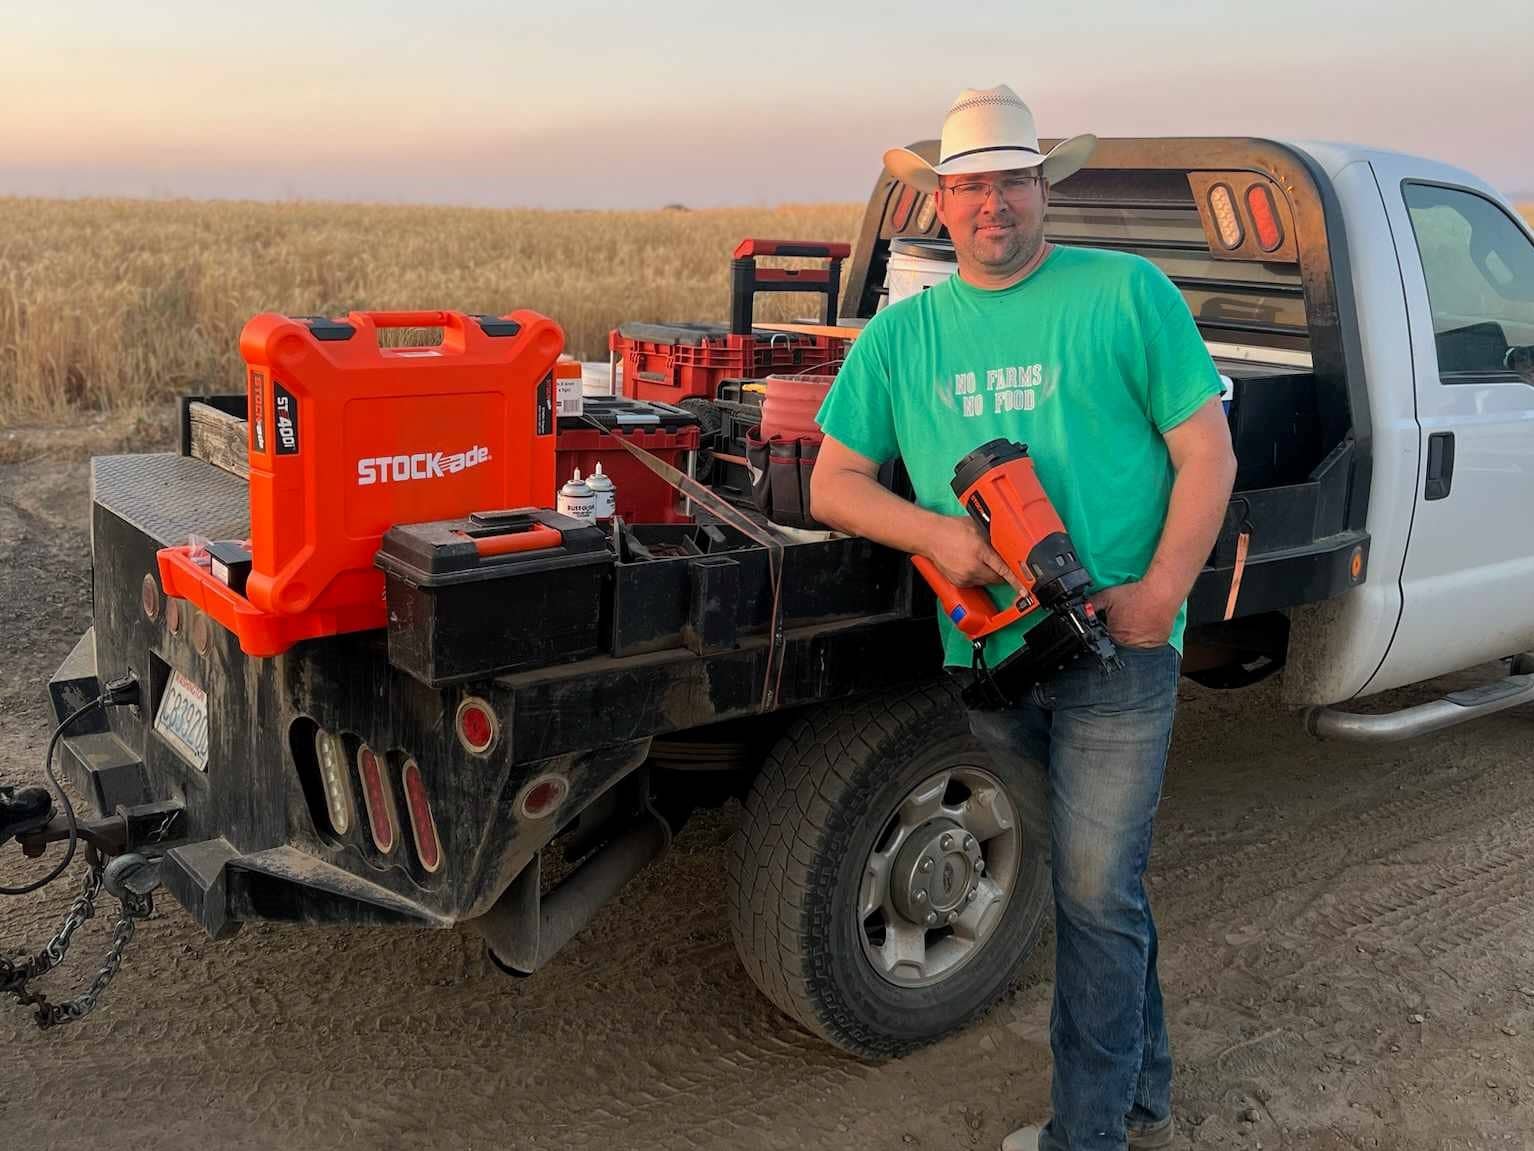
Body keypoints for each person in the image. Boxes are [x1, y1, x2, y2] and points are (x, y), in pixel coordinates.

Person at [810, 85, 1237, 1151]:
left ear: (1044, 189)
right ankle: (1141, 1087)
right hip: (993, 660)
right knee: (1099, 890)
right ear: (939, 204)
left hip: (1115, 648)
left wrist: (1160, 595)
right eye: (968, 187)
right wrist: (940, 536)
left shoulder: (1125, 293)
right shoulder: (901, 337)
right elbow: (832, 483)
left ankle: (1086, 1133)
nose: (990, 203)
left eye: (1010, 181)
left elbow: (1207, 454)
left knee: (1093, 892)